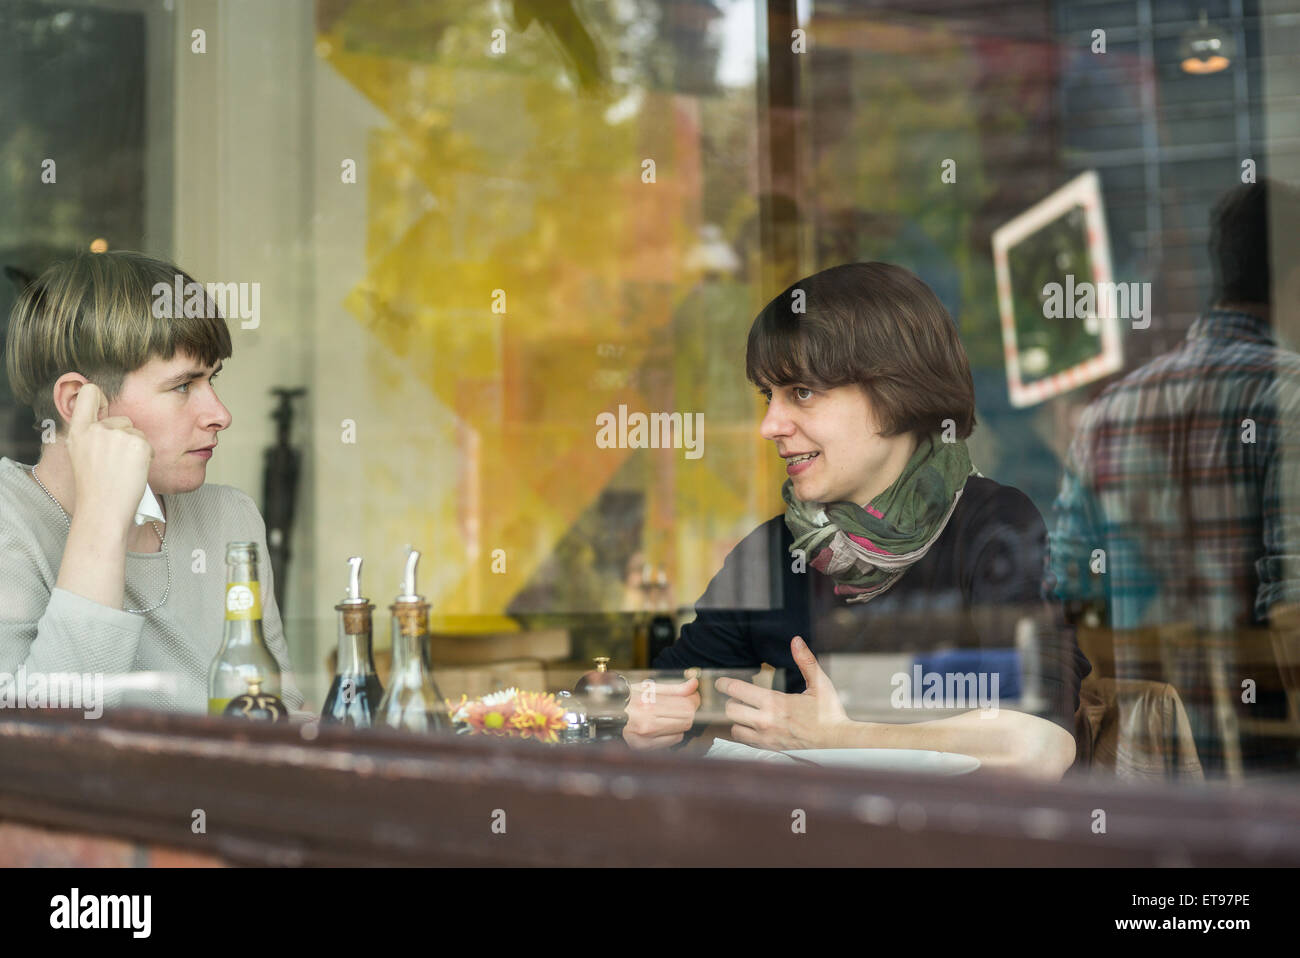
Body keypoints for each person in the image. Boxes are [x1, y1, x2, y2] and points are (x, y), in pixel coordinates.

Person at [625, 262, 1089, 780]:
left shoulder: (992, 525)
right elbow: (659, 688)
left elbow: (1043, 746)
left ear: (897, 393)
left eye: (801, 391)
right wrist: (645, 719)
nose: (770, 425)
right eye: (768, 396)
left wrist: (840, 736)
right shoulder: (773, 552)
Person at [1049, 181, 1300, 775]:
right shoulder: (1288, 394)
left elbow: (1063, 594)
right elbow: (1293, 609)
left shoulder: (1111, 409)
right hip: (1267, 765)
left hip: (1142, 761)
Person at [0, 251, 303, 714]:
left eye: (212, 379)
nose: (220, 415)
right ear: (82, 403)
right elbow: (47, 743)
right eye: (184, 386)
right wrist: (101, 516)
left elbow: (277, 717)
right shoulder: (10, 521)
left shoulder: (229, 520)